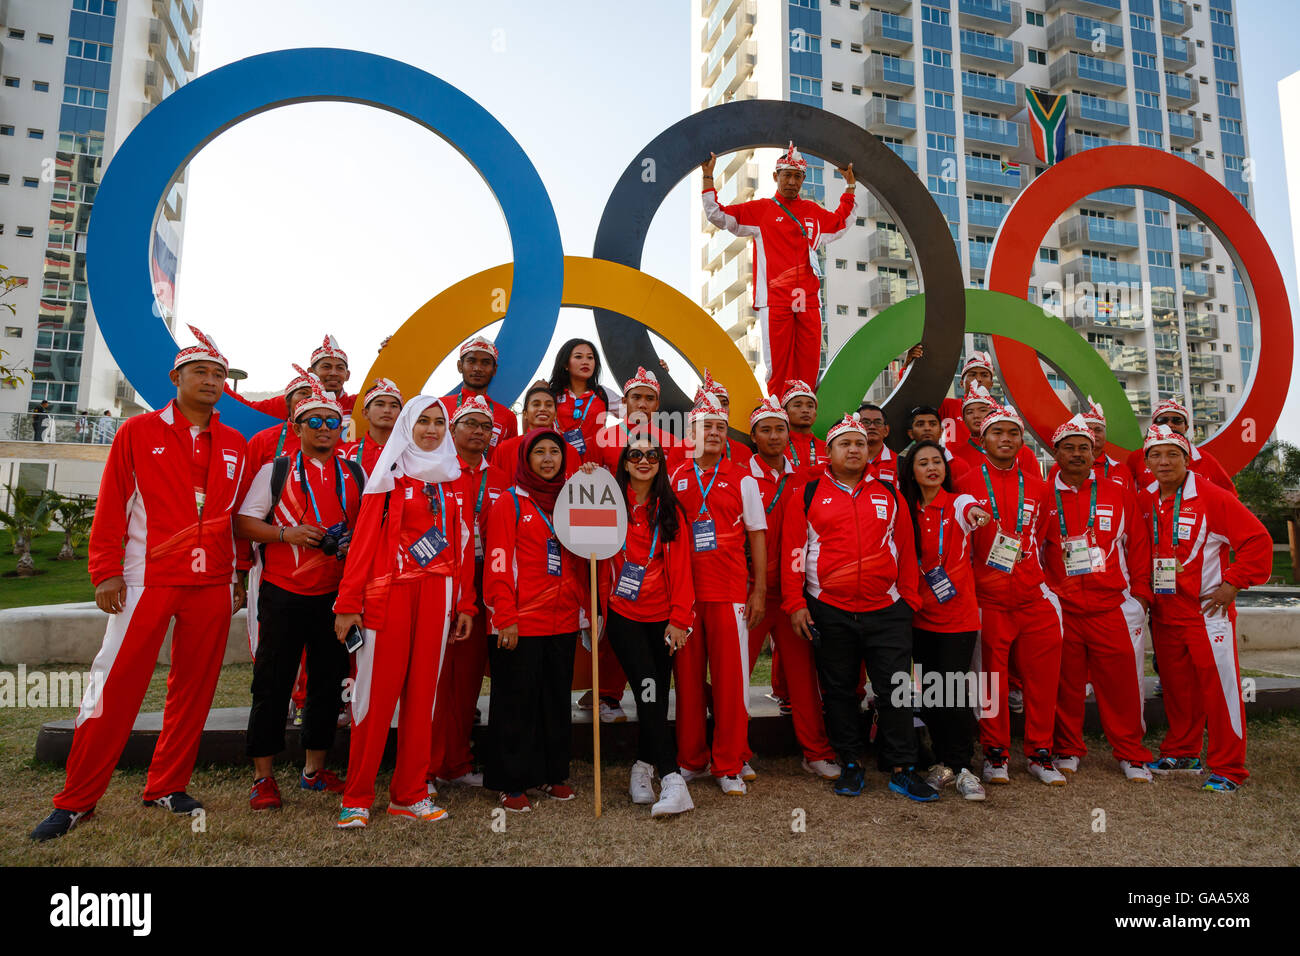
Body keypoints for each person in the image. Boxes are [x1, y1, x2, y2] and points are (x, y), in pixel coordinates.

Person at [31, 326, 248, 842]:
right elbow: (111, 505)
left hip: (212, 582)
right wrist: (105, 570)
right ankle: (77, 799)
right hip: (145, 579)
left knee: (194, 692)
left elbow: (236, 517)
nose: (211, 380)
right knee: (114, 685)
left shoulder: (236, 443)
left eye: (220, 374)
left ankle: (167, 785)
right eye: (201, 371)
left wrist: (238, 573)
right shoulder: (137, 431)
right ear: (176, 378)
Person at [331, 396, 476, 829]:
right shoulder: (388, 476)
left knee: (422, 700)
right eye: (423, 422)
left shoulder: (455, 479)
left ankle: (409, 793)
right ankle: (357, 797)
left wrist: (465, 602)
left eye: (438, 422)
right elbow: (362, 545)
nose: (432, 430)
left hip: (438, 597)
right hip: (388, 597)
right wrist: (347, 604)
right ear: (407, 426)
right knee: (373, 699)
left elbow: (464, 547)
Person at [782, 413, 936, 801]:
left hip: (886, 611)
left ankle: (903, 767)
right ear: (829, 452)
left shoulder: (889, 491)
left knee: (895, 690)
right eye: (845, 444)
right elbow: (794, 552)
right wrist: (796, 603)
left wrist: (909, 599)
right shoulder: (808, 491)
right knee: (839, 691)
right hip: (828, 609)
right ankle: (850, 762)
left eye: (861, 443)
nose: (854, 449)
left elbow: (906, 548)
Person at [236, 381, 365, 809]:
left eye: (333, 422)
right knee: (272, 683)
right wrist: (285, 533)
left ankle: (314, 770)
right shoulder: (278, 469)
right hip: (283, 591)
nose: (325, 429)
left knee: (328, 685)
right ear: (297, 426)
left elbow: (367, 529)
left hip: (333, 596)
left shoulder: (355, 472)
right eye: (315, 422)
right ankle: (262, 778)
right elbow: (243, 522)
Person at [1137, 425, 1271, 791]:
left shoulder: (1212, 496)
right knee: (1179, 689)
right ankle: (1183, 751)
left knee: (1222, 691)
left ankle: (1229, 767)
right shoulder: (1145, 498)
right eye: (1156, 455)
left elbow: (1257, 539)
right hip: (1165, 614)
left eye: (1172, 454)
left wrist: (1232, 583)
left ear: (1186, 458)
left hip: (1206, 613)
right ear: (1146, 461)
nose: (1164, 462)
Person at [954, 399, 1066, 786]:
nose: (1005, 439)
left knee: (1042, 679)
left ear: (1022, 440)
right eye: (997, 432)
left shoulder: (1039, 486)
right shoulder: (965, 484)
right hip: (988, 601)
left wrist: (1050, 587)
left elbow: (1050, 542)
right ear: (982, 438)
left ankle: (1040, 753)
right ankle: (995, 754)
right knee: (991, 683)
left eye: (1012, 433)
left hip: (1032, 598)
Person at [1040, 415, 1154, 782]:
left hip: (1112, 607)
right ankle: (1068, 748)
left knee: (1121, 685)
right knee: (1065, 684)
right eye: (1069, 448)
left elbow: (1137, 548)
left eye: (1084, 448)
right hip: (1063, 606)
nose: (1077, 454)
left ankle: (1131, 752)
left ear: (1095, 453)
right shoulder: (1041, 495)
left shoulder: (1117, 492)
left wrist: (1140, 598)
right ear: (1055, 452)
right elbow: (1034, 549)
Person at [482, 429, 589, 812]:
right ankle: (511, 781)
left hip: (562, 620)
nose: (548, 459)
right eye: (539, 452)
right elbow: (497, 563)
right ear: (525, 459)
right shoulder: (509, 502)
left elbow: (584, 556)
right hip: (519, 622)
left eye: (555, 453)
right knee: (515, 703)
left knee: (555, 701)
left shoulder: (572, 500)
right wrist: (504, 616)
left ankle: (552, 773)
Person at [670, 392, 766, 795]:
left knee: (730, 683)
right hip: (685, 597)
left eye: (720, 428)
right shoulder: (674, 476)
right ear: (690, 432)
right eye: (705, 426)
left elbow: (757, 534)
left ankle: (728, 762)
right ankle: (691, 759)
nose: (713, 433)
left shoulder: (742, 477)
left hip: (729, 592)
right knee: (688, 682)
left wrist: (759, 588)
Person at [701, 142, 856, 392]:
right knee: (778, 370)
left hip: (809, 300)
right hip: (775, 300)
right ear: (776, 177)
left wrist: (850, 187)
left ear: (804, 179)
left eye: (797, 176)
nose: (792, 182)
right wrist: (708, 177)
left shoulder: (812, 211)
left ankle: (804, 424)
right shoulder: (760, 210)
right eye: (787, 176)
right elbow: (717, 215)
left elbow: (840, 222)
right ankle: (777, 422)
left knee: (809, 368)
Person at [597, 436, 696, 816]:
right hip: (624, 613)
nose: (643, 460)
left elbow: (684, 567)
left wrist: (680, 619)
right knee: (648, 691)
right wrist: (589, 475)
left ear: (660, 464)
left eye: (651, 455)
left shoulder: (671, 510)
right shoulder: (609, 503)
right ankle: (673, 780)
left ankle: (641, 769)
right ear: (623, 462)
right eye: (634, 454)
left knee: (652, 696)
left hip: (665, 620)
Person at [745, 397, 840, 780]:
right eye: (765, 429)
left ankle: (815, 751)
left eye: (780, 428)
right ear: (753, 436)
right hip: (749, 593)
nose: (774, 435)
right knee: (736, 676)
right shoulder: (738, 475)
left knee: (802, 678)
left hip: (791, 595)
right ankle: (733, 752)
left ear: (789, 434)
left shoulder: (805, 479)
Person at [897, 439, 990, 801]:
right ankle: (944, 763)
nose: (932, 468)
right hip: (920, 615)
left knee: (953, 691)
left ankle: (963, 765)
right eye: (923, 463)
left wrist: (979, 516)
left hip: (957, 616)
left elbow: (975, 511)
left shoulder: (958, 503)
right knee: (933, 693)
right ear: (913, 472)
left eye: (937, 461)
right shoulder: (906, 509)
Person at [428, 395, 510, 793]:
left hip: (483, 584)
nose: (478, 432)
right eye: (470, 424)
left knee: (467, 680)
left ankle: (456, 762)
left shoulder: (500, 479)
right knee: (434, 679)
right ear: (453, 429)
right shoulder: (436, 471)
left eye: (485, 427)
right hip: (441, 580)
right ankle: (425, 767)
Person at [1125, 398, 1236, 495]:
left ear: (1186, 427)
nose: (1170, 424)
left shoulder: (1206, 460)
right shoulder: (1137, 457)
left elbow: (1230, 496)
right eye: (1162, 420)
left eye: (1177, 420)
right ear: (1154, 426)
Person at [230, 334, 358, 418]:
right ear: (311, 373)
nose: (333, 373)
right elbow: (246, 408)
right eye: (326, 367)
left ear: (347, 375)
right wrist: (214, 379)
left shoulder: (360, 404)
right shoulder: (293, 401)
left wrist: (379, 362)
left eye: (340, 368)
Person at [592, 366, 685, 473]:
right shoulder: (603, 438)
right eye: (636, 397)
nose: (642, 405)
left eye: (650, 399)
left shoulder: (672, 442)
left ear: (657, 405)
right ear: (624, 402)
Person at [548, 338, 623, 459]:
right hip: (558, 465)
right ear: (566, 364)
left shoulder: (603, 394)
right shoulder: (552, 394)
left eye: (590, 357)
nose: (585, 362)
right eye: (578, 357)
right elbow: (532, 422)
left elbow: (636, 413)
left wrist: (659, 371)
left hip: (596, 468)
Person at [948, 382, 1040, 479]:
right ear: (963, 419)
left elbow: (1037, 488)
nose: (976, 416)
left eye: (982, 410)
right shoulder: (955, 457)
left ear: (993, 414)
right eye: (970, 412)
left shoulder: (1023, 452)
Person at [494, 380, 583, 480]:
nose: (542, 409)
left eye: (549, 405)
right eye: (536, 404)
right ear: (525, 414)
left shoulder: (570, 452)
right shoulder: (504, 450)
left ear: (556, 414)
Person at [1045, 397, 1135, 494]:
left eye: (1098, 430)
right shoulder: (1059, 468)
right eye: (1089, 429)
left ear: (1105, 435)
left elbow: (1130, 502)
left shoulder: (1120, 469)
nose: (1094, 434)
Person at [451, 335, 518, 463]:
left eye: (485, 363)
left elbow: (508, 462)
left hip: (489, 482)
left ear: (495, 370)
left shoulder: (508, 418)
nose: (478, 368)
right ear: (460, 366)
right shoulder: (439, 406)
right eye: (471, 361)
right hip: (441, 482)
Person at [244, 366, 320, 474]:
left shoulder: (330, 439)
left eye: (315, 394)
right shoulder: (263, 440)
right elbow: (244, 483)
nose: (310, 398)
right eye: (303, 393)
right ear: (288, 401)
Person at [690, 369, 753, 466]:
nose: (718, 408)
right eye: (712, 403)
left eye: (724, 403)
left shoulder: (744, 451)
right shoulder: (680, 450)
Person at [341, 378, 403, 475]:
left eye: (394, 406)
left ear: (401, 414)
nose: (387, 410)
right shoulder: (344, 453)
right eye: (380, 404)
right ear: (365, 413)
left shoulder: (410, 453)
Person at [905, 404, 970, 482]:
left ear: (941, 431)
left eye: (932, 424)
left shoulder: (960, 466)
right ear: (911, 433)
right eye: (920, 424)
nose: (927, 428)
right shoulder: (903, 465)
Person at [780, 379, 825, 481]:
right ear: (785, 412)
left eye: (810, 406)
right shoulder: (776, 447)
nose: (805, 410)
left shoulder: (828, 449)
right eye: (798, 405)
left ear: (815, 414)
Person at [856, 402, 898, 483]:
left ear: (886, 430)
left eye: (878, 423)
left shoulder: (900, 464)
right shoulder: (846, 460)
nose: (872, 427)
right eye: (865, 422)